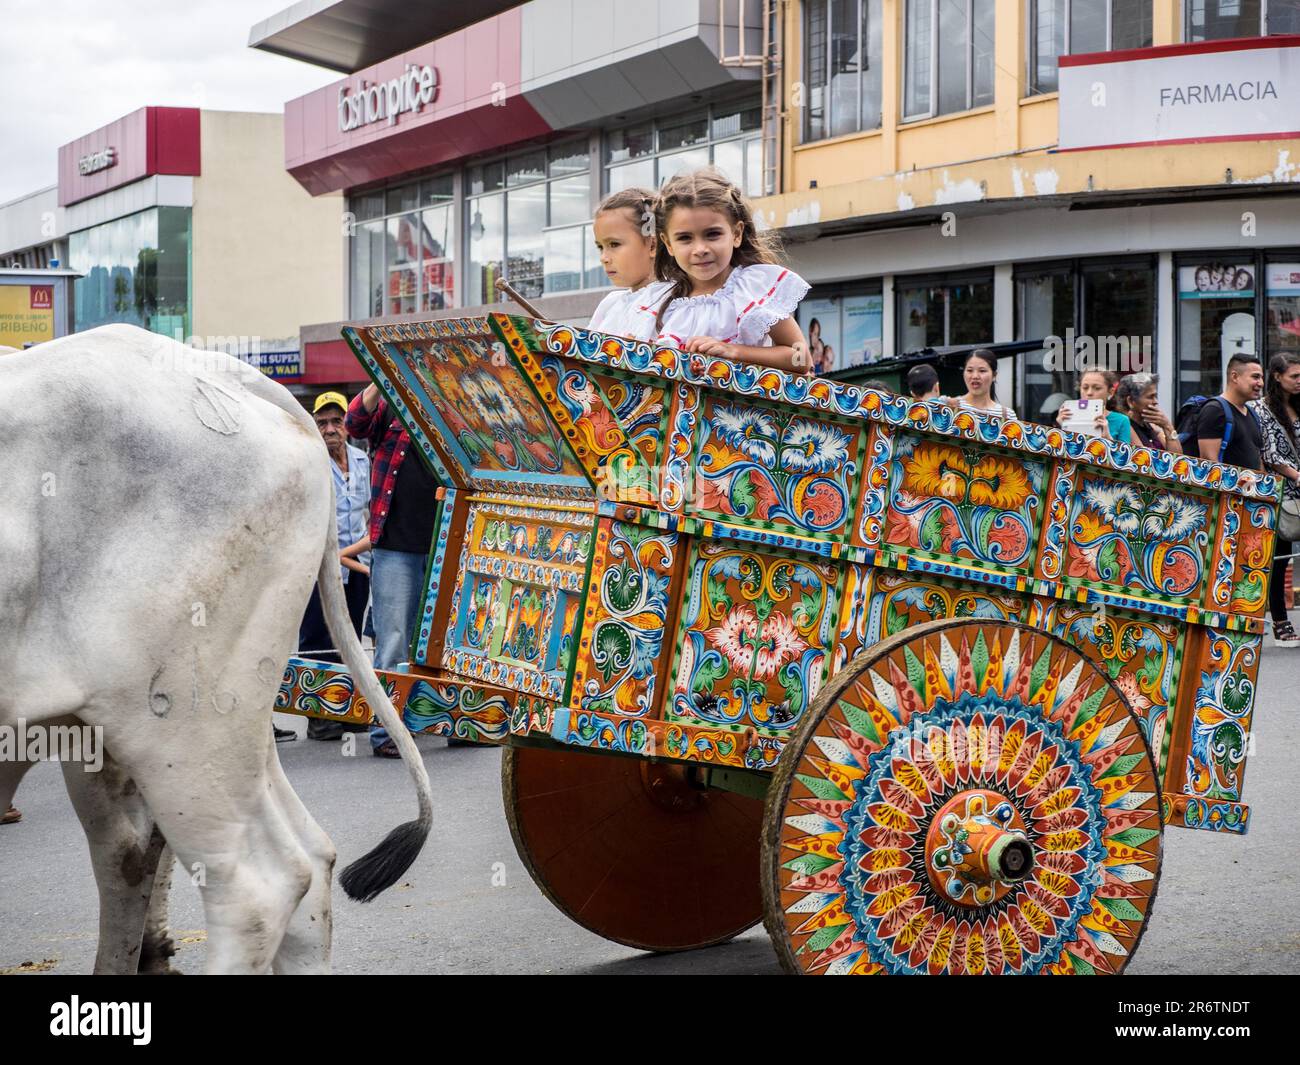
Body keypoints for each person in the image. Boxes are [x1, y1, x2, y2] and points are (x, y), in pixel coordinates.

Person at [347, 385, 439, 757]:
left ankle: (441, 720)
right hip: (396, 547)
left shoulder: (447, 407)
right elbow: (355, 421)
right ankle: (386, 732)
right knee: (394, 641)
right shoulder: (389, 407)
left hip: (444, 545)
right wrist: (381, 379)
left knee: (441, 646)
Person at [642, 168, 810, 373]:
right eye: (685, 238)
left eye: (712, 234)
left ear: (736, 234)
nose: (700, 250)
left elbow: (801, 358)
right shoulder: (657, 300)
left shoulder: (752, 289)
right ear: (668, 244)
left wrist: (734, 351)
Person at [297, 391, 373, 741]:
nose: (330, 428)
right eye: (322, 422)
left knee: (351, 636)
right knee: (317, 638)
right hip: (318, 560)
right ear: (314, 425)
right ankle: (318, 713)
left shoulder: (362, 461)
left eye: (336, 421)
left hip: (355, 561)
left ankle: (345, 707)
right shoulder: (309, 462)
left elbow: (370, 512)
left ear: (347, 425)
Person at [1249, 352, 1300, 646]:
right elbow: (1270, 454)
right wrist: (1295, 476)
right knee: (1278, 560)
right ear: (1277, 377)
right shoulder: (1262, 410)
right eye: (1294, 376)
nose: (1298, 381)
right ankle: (1280, 623)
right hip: (1281, 492)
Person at [587, 188, 672, 339]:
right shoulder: (609, 304)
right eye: (600, 247)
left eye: (614, 244)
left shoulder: (675, 300)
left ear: (652, 245)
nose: (603, 258)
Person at [1194, 354, 1264, 471]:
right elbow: (1209, 463)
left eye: (1261, 378)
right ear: (1235, 377)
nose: (1261, 383)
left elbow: (1257, 459)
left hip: (1250, 489)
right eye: (1255, 377)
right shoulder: (1214, 410)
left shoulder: (1252, 413)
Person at [1114, 372, 1183, 454]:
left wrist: (1168, 426)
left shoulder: (1151, 426)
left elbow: (1177, 458)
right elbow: (1144, 458)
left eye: (1155, 396)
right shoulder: (1125, 425)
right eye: (1150, 397)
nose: (1155, 402)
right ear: (1131, 401)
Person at [1057, 368, 1131, 442]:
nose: (1089, 393)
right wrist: (1062, 428)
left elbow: (1125, 453)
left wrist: (1108, 439)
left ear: (1111, 392)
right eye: (1085, 388)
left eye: (1097, 388)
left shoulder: (1121, 420)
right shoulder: (1067, 417)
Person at [947, 348, 1016, 420]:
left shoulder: (1008, 415)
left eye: (982, 371)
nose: (975, 376)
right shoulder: (948, 406)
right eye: (970, 370)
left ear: (994, 375)